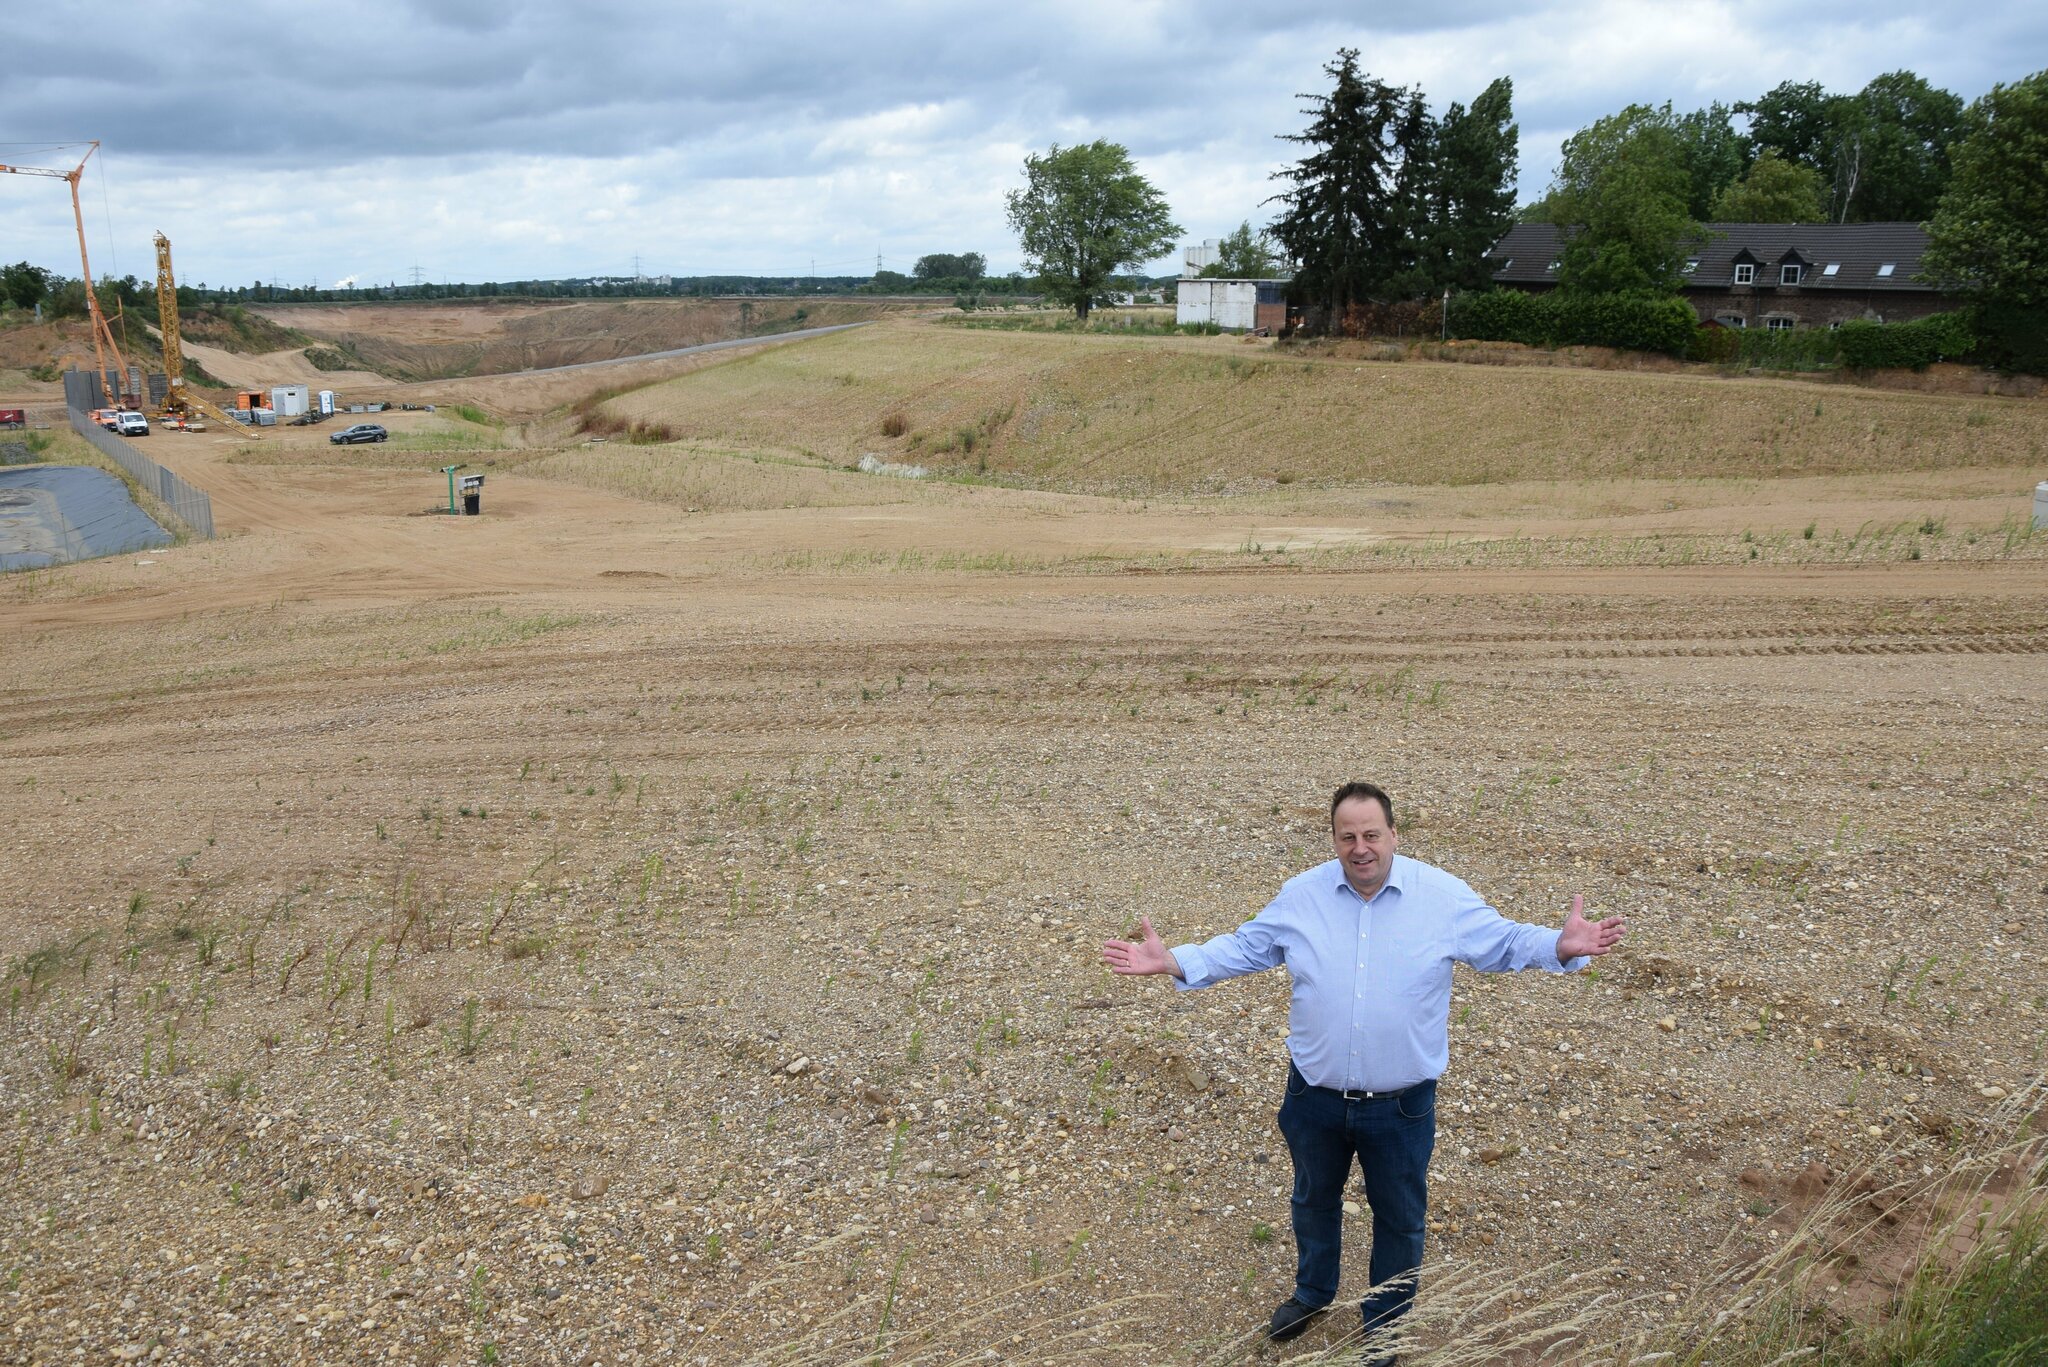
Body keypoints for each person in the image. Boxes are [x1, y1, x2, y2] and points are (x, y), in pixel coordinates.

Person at [1100, 780, 1626, 1358]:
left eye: (1371, 834)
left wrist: (1559, 945)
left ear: (1394, 834)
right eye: (1347, 836)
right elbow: (1248, 947)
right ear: (1333, 839)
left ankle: (1385, 1329)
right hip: (1314, 1098)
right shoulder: (1302, 896)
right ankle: (1313, 1293)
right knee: (1312, 1200)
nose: (1360, 848)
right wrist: (1177, 960)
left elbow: (1502, 942)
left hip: (1401, 1106)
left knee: (1399, 1219)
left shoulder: (1442, 897)